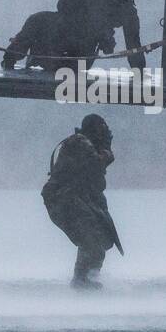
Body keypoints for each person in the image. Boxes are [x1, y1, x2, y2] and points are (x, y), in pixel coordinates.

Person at [3, 0, 146, 71]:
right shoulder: (124, 7)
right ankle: (24, 56)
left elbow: (61, 5)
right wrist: (138, 69)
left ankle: (20, 57)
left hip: (69, 51)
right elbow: (133, 43)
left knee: (37, 20)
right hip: (75, 54)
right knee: (38, 21)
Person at [42, 113, 121, 289]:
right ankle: (81, 281)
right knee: (91, 241)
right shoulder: (79, 141)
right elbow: (95, 165)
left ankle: (89, 278)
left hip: (71, 199)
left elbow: (96, 183)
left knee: (100, 239)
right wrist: (106, 155)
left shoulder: (85, 145)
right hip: (63, 199)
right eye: (102, 130)